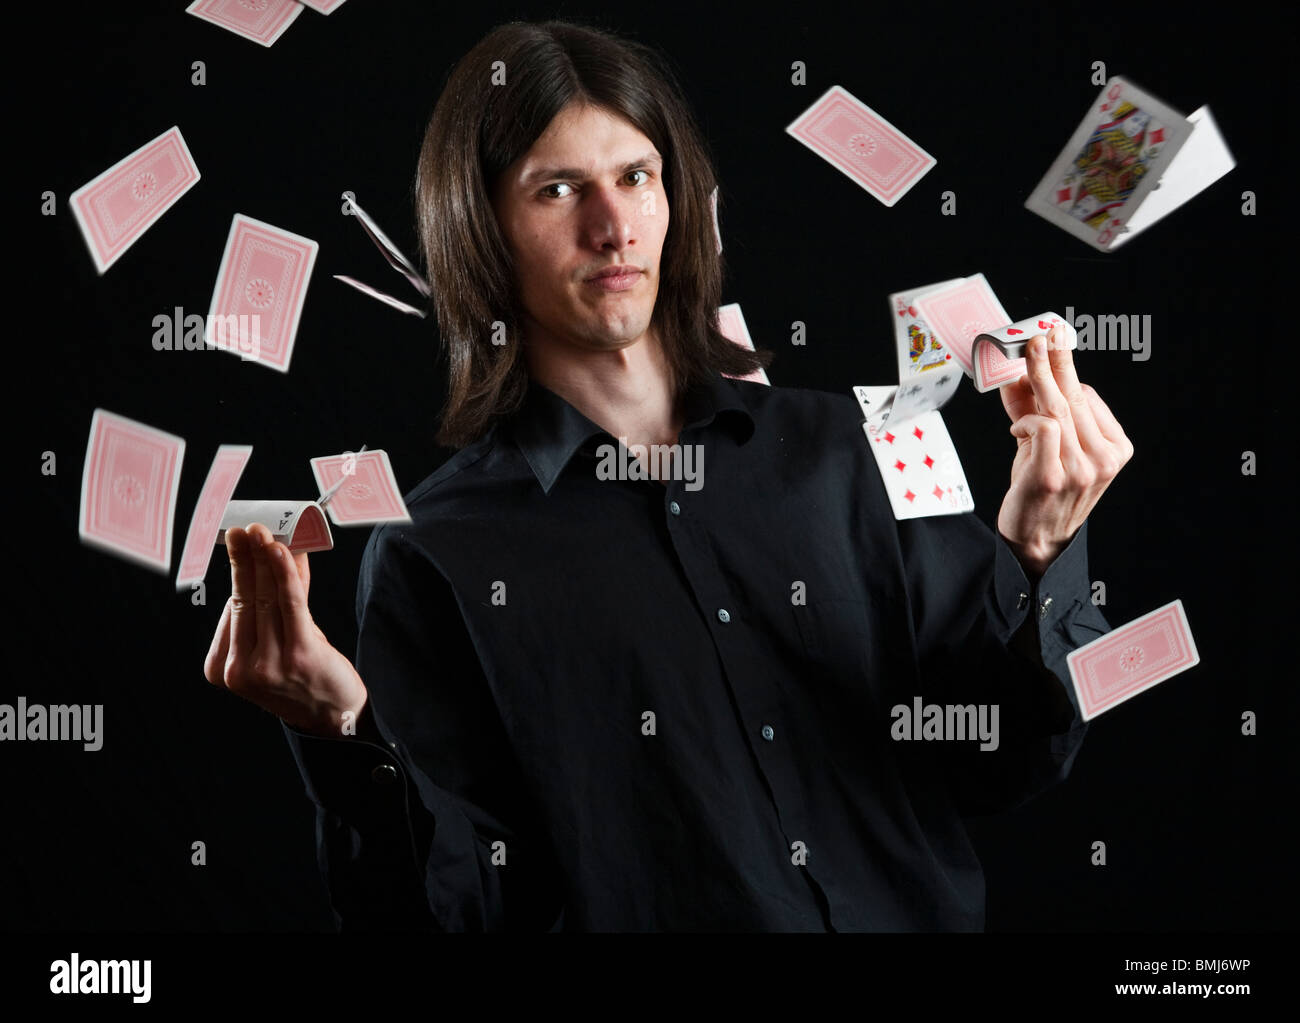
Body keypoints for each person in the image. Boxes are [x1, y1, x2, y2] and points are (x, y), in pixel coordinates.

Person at [203, 20, 1132, 931]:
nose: (613, 227)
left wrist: (1039, 557)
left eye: (636, 177)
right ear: (481, 228)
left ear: (675, 196)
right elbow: (458, 910)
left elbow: (1005, 763)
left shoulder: (850, 441)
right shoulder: (434, 553)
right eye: (558, 190)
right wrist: (340, 731)